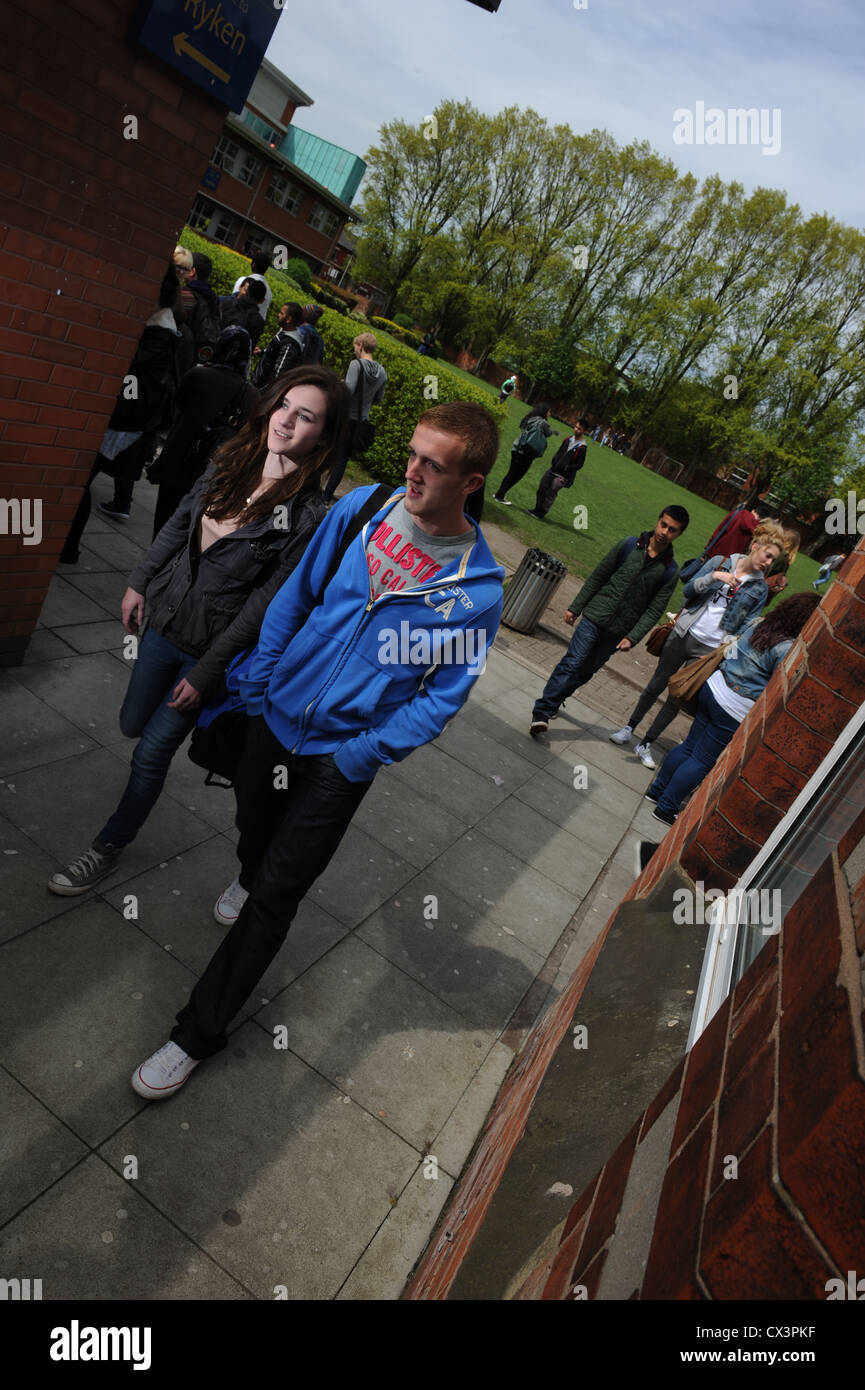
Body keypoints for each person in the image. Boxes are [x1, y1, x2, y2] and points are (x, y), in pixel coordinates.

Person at [129, 399, 504, 1098]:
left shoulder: (474, 590)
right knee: (253, 832)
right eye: (413, 453)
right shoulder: (363, 508)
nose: (412, 471)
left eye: (433, 463)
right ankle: (249, 866)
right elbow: (295, 596)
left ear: (470, 481)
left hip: (339, 760)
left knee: (277, 896)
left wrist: (360, 756)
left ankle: (194, 1034)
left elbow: (440, 697)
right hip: (272, 721)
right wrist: (263, 683)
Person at [47, 366, 350, 896]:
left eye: (306, 418)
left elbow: (263, 607)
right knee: (130, 722)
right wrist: (140, 580)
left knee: (151, 751)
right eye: (284, 406)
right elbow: (181, 521)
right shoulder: (231, 458)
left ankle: (106, 848)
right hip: (163, 620)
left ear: (323, 437)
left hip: (210, 653)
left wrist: (209, 672)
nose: (286, 421)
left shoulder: (307, 516)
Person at [608, 521, 787, 768]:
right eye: (767, 556)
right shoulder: (721, 563)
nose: (768, 563)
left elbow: (746, 627)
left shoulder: (759, 589)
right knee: (656, 684)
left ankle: (646, 743)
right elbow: (689, 589)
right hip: (684, 633)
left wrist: (722, 654)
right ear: (755, 546)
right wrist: (715, 576)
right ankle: (629, 727)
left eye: (772, 561)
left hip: (708, 650)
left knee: (677, 696)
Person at [646, 592, 822, 825]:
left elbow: (730, 648)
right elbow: (778, 687)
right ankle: (666, 808)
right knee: (702, 759)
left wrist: (730, 668)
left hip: (713, 688)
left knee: (689, 746)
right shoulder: (786, 648)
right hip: (733, 708)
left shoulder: (759, 623)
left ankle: (656, 791)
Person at [529, 506, 690, 737]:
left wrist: (632, 637)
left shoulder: (669, 571)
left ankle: (555, 701)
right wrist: (575, 607)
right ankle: (542, 712)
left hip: (618, 631)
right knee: (573, 662)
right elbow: (599, 575)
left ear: (679, 534)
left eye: (672, 530)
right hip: (595, 615)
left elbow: (654, 610)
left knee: (585, 671)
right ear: (658, 521)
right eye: (663, 524)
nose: (665, 532)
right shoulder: (628, 545)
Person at [60, 265, 183, 556]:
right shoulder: (161, 331)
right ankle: (68, 546)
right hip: (126, 422)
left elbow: (136, 384)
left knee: (78, 480)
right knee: (80, 480)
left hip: (123, 424)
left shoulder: (158, 336)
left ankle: (69, 547)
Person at [148, 325, 259, 539]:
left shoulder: (199, 374)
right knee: (190, 531)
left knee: (163, 525)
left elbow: (177, 404)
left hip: (179, 459)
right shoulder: (252, 395)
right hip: (213, 471)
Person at [322, 332, 387, 504]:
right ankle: (327, 496)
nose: (354, 350)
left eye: (355, 346)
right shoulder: (382, 372)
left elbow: (348, 391)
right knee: (342, 460)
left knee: (326, 451)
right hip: (360, 421)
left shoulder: (356, 365)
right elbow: (379, 399)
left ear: (361, 346)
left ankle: (313, 488)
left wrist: (341, 384)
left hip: (344, 417)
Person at [492, 403, 555, 505]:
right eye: (549, 412)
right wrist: (553, 432)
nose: (550, 414)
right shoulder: (543, 423)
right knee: (516, 476)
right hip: (527, 453)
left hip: (517, 448)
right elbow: (548, 433)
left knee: (511, 473)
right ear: (544, 412)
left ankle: (499, 493)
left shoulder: (530, 418)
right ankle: (500, 495)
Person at [528, 420, 587, 519]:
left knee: (551, 492)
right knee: (542, 488)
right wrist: (554, 460)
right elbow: (559, 451)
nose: (576, 430)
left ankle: (542, 512)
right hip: (553, 469)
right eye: (576, 427)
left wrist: (567, 468)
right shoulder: (568, 439)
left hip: (563, 476)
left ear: (584, 431)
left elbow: (579, 465)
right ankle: (537, 509)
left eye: (579, 429)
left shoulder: (582, 447)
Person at [251, 302, 305, 389]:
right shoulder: (283, 333)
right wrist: (263, 352)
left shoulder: (290, 345)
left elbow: (278, 375)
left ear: (288, 319)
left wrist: (262, 392)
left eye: (281, 313)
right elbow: (275, 354)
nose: (278, 315)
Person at [218, 278, 266, 348]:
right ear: (262, 300)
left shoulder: (226, 302)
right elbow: (249, 349)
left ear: (247, 292)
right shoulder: (258, 322)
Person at [231, 252, 273, 322]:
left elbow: (232, 302)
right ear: (266, 269)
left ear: (253, 264)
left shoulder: (243, 281)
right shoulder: (269, 292)